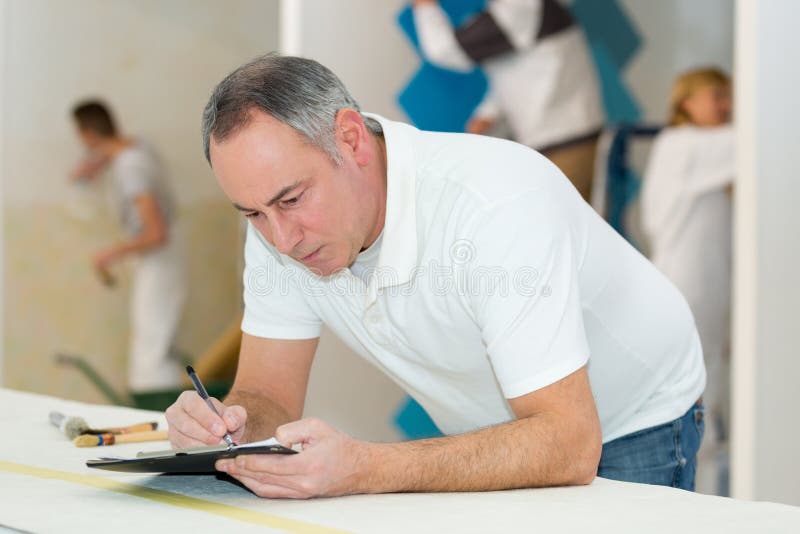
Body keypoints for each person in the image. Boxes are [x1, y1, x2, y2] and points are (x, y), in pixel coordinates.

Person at [165, 55, 705, 499]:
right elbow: (268, 396)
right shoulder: (277, 225)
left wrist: (365, 467)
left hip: (631, 416)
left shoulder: (495, 203)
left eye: (291, 199)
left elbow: (568, 442)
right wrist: (227, 423)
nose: (282, 239)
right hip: (504, 434)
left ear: (350, 140)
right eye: (253, 214)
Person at [641, 67, 734, 495]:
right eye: (716, 96)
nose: (726, 106)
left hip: (699, 283)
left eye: (729, 96)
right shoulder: (684, 145)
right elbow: (752, 140)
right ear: (686, 102)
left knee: (704, 380)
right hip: (688, 281)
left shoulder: (693, 150)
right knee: (698, 385)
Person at [411, 0, 604, 202]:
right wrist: (488, 113)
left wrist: (424, 5)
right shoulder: (525, 10)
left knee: (554, 227)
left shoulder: (518, 8)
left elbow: (445, 50)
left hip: (564, 148)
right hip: (573, 141)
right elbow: (523, 69)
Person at [70, 100, 186, 392]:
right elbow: (127, 149)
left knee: (151, 346)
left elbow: (155, 232)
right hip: (167, 256)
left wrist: (109, 255)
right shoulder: (138, 148)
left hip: (160, 257)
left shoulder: (129, 167)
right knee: (158, 336)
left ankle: (157, 410)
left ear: (87, 135)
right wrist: (97, 163)